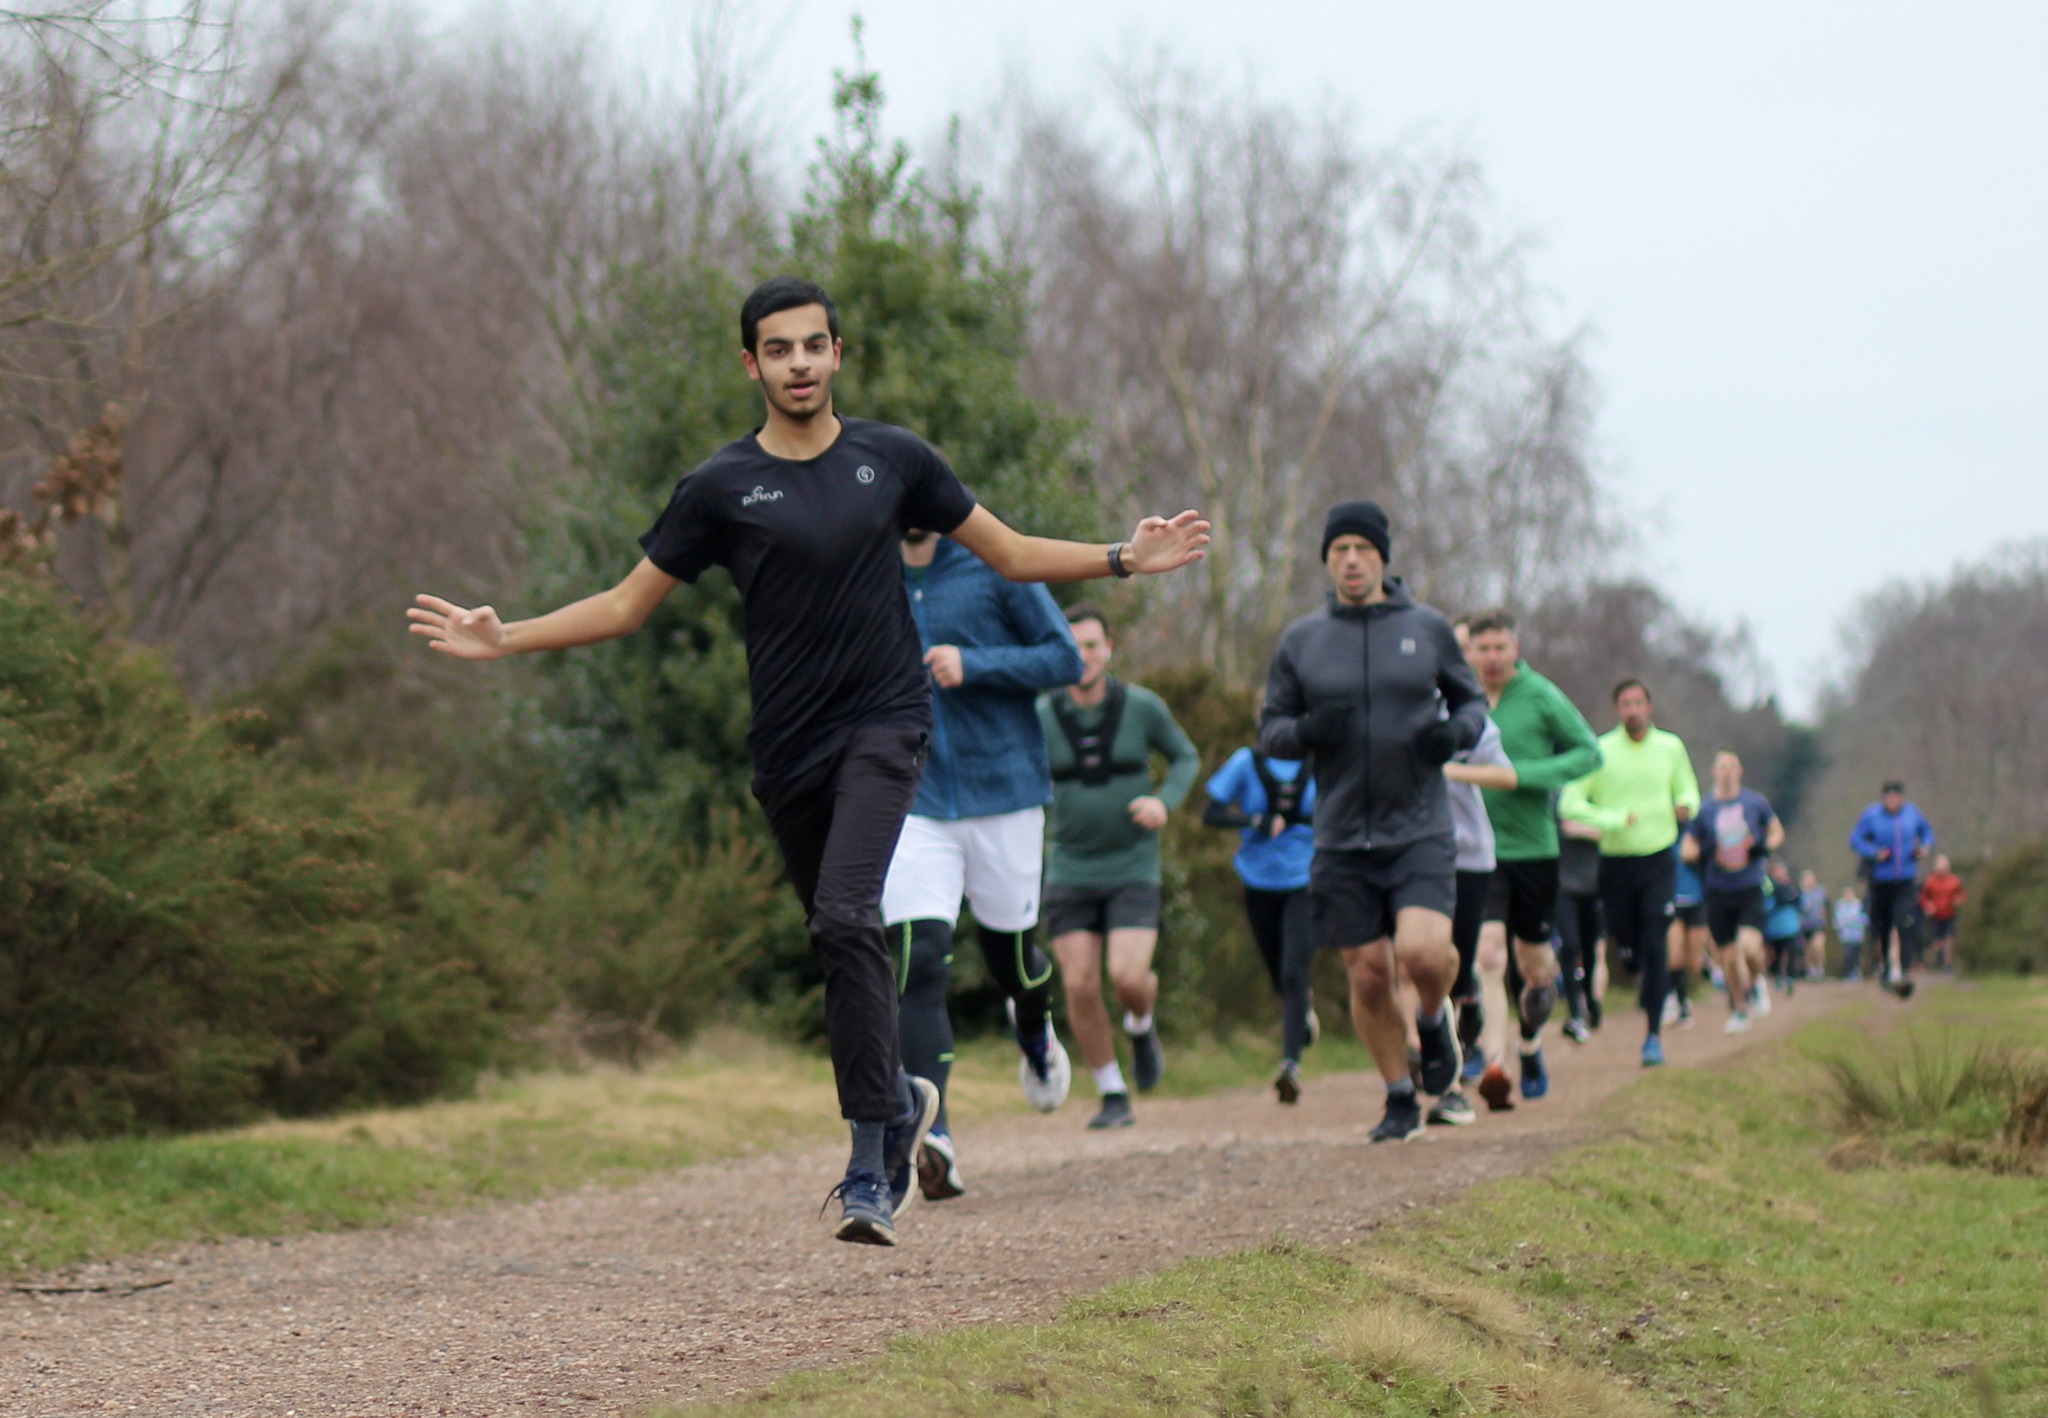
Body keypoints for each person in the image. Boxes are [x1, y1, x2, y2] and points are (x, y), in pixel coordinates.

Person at [407, 276, 1210, 1246]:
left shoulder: (892, 461)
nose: (798, 364)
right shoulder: (719, 487)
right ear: (751, 362)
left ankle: (870, 1154)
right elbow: (625, 606)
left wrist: (1122, 557)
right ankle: (896, 1103)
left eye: (813, 346)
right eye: (777, 349)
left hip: (885, 723)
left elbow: (1008, 554)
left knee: (844, 912)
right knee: (839, 938)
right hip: (788, 747)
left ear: (838, 354)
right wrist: (508, 637)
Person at [1259, 501, 1488, 1142]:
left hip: (1418, 824)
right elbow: (1270, 729)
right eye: (1339, 550)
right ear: (1327, 561)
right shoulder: (1304, 640)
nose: (1351, 560)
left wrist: (1453, 735)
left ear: (1383, 557)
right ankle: (1397, 1097)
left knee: (1420, 951)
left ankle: (1435, 1019)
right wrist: (1306, 731)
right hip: (1339, 832)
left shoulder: (1428, 628)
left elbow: (1471, 702)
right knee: (1365, 970)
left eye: (1362, 548)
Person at [881, 528, 1084, 1202]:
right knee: (920, 955)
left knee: (1013, 961)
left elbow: (1064, 658)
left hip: (1006, 794)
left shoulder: (999, 566)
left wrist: (977, 664)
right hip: (914, 797)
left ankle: (1035, 1032)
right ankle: (930, 1132)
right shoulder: (868, 575)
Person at [1041, 605, 1201, 1130]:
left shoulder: (1141, 707)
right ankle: (1112, 1090)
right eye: (1073, 646)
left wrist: (1164, 802)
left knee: (1127, 976)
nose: (1083, 656)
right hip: (1069, 866)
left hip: (1132, 863)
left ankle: (1140, 1021)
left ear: (1109, 649)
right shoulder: (1042, 714)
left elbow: (1186, 757)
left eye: (1092, 645)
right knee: (1080, 984)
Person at [1464, 608, 1603, 1109]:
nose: (1493, 657)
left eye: (1501, 647)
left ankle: (1530, 1042)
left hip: (1535, 850)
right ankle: (1495, 1064)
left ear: (1515, 649)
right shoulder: (1461, 697)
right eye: (1484, 649)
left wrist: (1526, 775)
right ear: (1470, 652)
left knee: (1535, 966)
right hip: (1478, 848)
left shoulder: (1541, 696)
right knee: (1488, 956)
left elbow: (1589, 753)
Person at [1558, 677, 1701, 1068]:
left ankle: (1653, 1035)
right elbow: (1571, 803)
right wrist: (1613, 819)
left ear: (1649, 707)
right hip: (1615, 862)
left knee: (1657, 941)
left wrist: (1686, 805)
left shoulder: (1670, 747)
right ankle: (1632, 959)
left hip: (1658, 858)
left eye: (1638, 702)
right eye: (1625, 703)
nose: (1633, 709)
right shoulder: (1600, 751)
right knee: (1630, 947)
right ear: (1617, 709)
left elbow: (1688, 788)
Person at [1203, 741, 1319, 1103]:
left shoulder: (1322, 760)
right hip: (1258, 880)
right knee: (1277, 970)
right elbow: (1211, 813)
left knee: (1293, 971)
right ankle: (1303, 1013)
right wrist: (1254, 820)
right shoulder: (1244, 762)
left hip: (1308, 879)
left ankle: (1290, 1066)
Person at [1438, 716, 1516, 1125]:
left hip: (1470, 856)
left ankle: (1472, 1011)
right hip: (1409, 853)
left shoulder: (1465, 715)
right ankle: (1446, 1085)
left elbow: (1506, 774)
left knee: (1469, 961)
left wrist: (1447, 769)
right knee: (1424, 959)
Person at [1682, 750, 1783, 1033]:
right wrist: (1701, 852)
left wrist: (1764, 846)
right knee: (1727, 956)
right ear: (1714, 772)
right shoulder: (1705, 809)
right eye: (1721, 767)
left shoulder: (1755, 802)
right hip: (1717, 890)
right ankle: (1739, 1009)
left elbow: (1777, 832)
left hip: (1749, 886)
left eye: (1731, 767)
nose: (1726, 772)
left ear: (1740, 770)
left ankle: (1758, 979)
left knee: (1749, 947)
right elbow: (1687, 848)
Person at [1849, 781, 1935, 998]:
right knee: (1883, 927)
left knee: (1904, 922)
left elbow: (1927, 833)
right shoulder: (1872, 816)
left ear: (1902, 798)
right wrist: (1874, 852)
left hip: (1905, 879)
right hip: (1880, 881)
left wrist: (1924, 847)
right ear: (1883, 799)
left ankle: (1904, 971)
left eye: (1896, 797)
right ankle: (1886, 970)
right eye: (1888, 798)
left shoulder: (1912, 814)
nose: (1892, 801)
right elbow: (1856, 839)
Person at [1667, 847, 1711, 1024]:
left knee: (1695, 963)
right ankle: (1681, 1002)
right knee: (1674, 957)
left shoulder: (1699, 831)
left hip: (1697, 902)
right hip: (1672, 901)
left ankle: (1710, 968)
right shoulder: (1665, 833)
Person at [1762, 859, 1805, 993]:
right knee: (1777, 953)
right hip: (1774, 928)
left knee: (1792, 951)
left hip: (1791, 927)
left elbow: (1800, 904)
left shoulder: (1793, 887)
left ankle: (1791, 978)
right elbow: (1766, 905)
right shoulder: (1769, 887)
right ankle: (1777, 976)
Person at [1919, 855, 1965, 973]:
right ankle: (1937, 961)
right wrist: (1928, 906)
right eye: (1939, 869)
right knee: (1937, 942)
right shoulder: (1930, 881)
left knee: (1949, 939)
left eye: (1944, 868)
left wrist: (1958, 901)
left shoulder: (1954, 881)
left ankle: (1947, 963)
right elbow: (1923, 898)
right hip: (1935, 916)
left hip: (1950, 914)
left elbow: (1962, 894)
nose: (1941, 871)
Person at [1799, 869, 1831, 981]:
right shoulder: (1800, 892)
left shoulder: (1821, 891)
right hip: (1804, 925)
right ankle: (1811, 969)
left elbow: (1827, 905)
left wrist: (1823, 915)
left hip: (1818, 924)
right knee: (1807, 949)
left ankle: (1820, 968)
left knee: (1818, 946)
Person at [1834, 887, 1869, 982]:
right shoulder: (1840, 905)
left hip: (1857, 936)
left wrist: (1849, 921)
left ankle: (1856, 972)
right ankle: (1849, 973)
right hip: (1846, 936)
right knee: (1848, 954)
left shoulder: (1858, 905)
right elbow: (1838, 922)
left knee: (1857, 955)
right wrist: (1850, 920)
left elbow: (1864, 920)